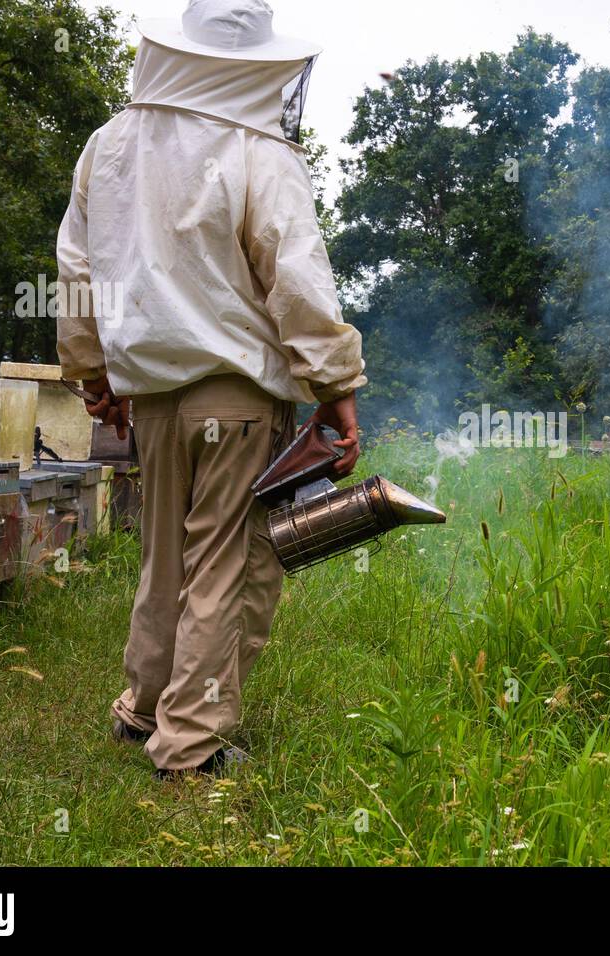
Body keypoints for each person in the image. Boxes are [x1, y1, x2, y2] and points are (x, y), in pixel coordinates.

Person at [54, 0, 366, 777]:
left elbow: (77, 269)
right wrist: (336, 385)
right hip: (237, 395)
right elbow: (294, 275)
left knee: (163, 558)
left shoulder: (110, 144)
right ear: (261, 64)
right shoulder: (262, 150)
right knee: (228, 563)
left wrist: (94, 373)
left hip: (152, 395)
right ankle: (190, 746)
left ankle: (142, 709)